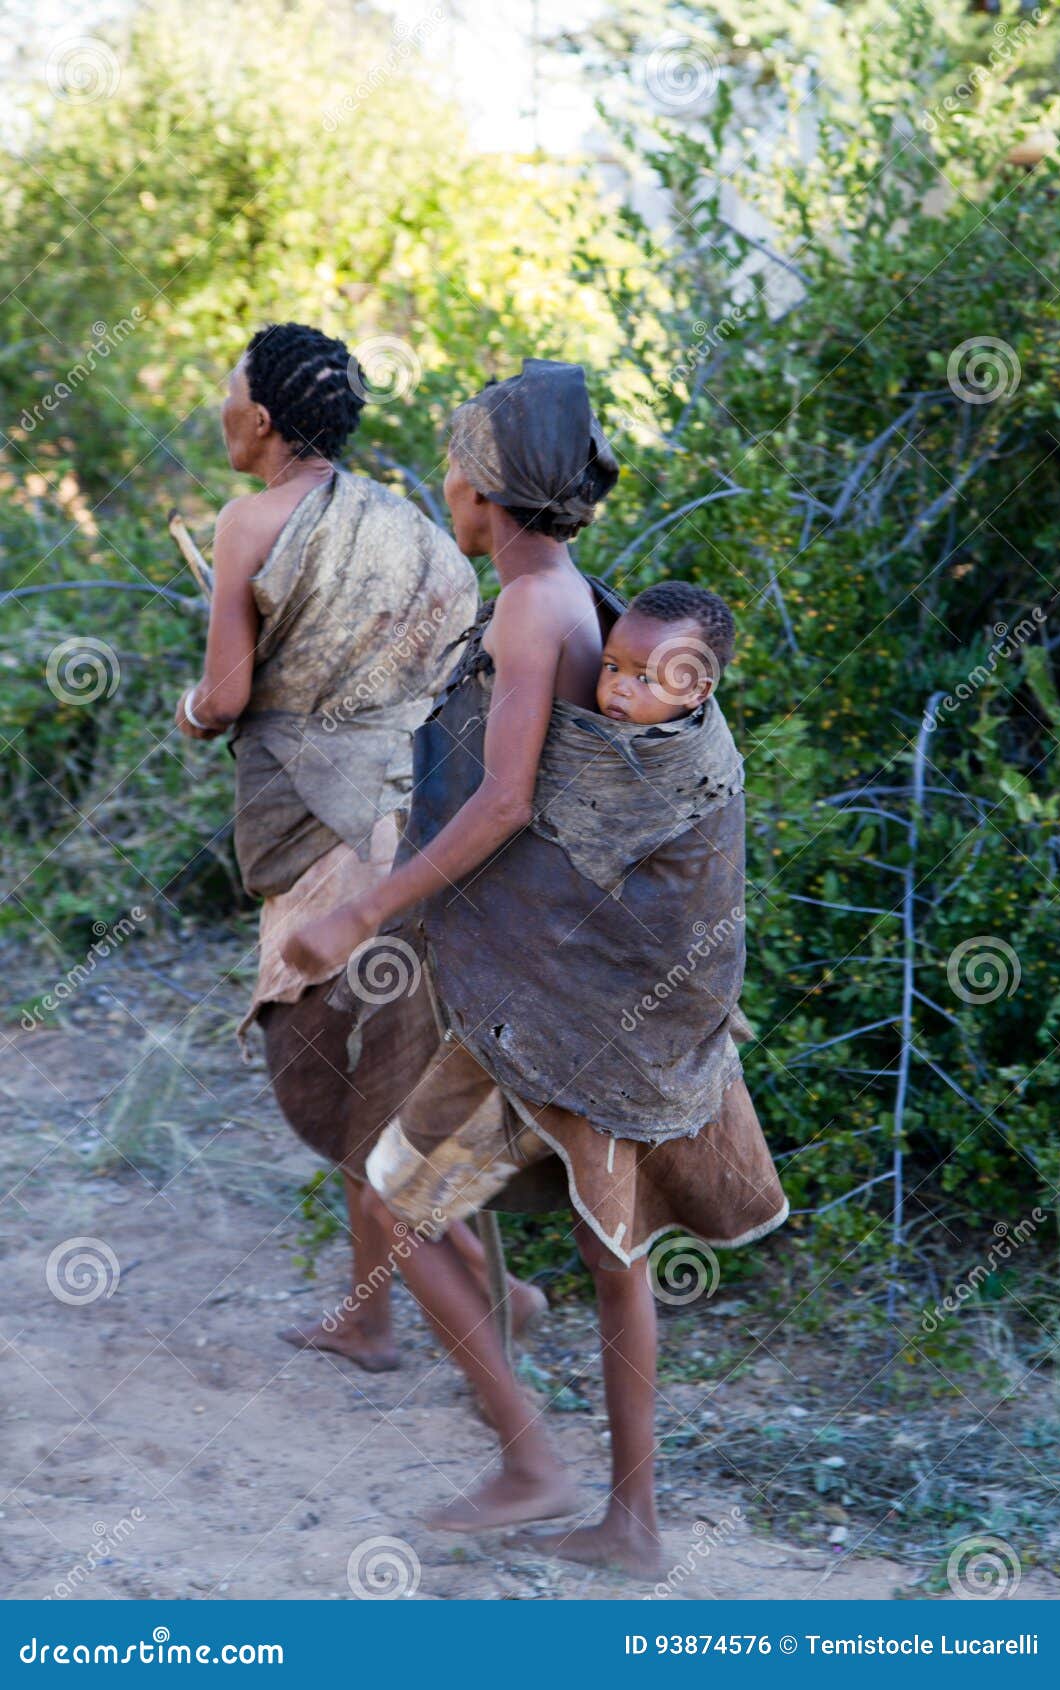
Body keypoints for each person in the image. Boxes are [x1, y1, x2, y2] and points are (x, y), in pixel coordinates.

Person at [284, 358, 787, 1574]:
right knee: (602, 1251)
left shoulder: (528, 608)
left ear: (485, 489)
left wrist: (364, 913)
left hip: (566, 995)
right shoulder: (564, 598)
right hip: (587, 988)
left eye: (454, 467)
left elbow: (508, 800)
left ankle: (548, 1470)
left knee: (411, 1201)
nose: (444, 487)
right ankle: (613, 1510)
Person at [174, 321, 543, 1371]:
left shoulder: (249, 520)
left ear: (259, 418)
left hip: (323, 837)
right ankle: (386, 1311)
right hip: (417, 824)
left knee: (317, 1082)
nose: (221, 406)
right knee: (374, 1080)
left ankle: (474, 1305)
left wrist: (192, 712)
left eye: (229, 389)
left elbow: (227, 695)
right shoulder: (410, 524)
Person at [596, 580, 735, 725]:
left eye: (645, 679)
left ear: (696, 692)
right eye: (612, 667)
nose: (620, 689)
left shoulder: (704, 739)